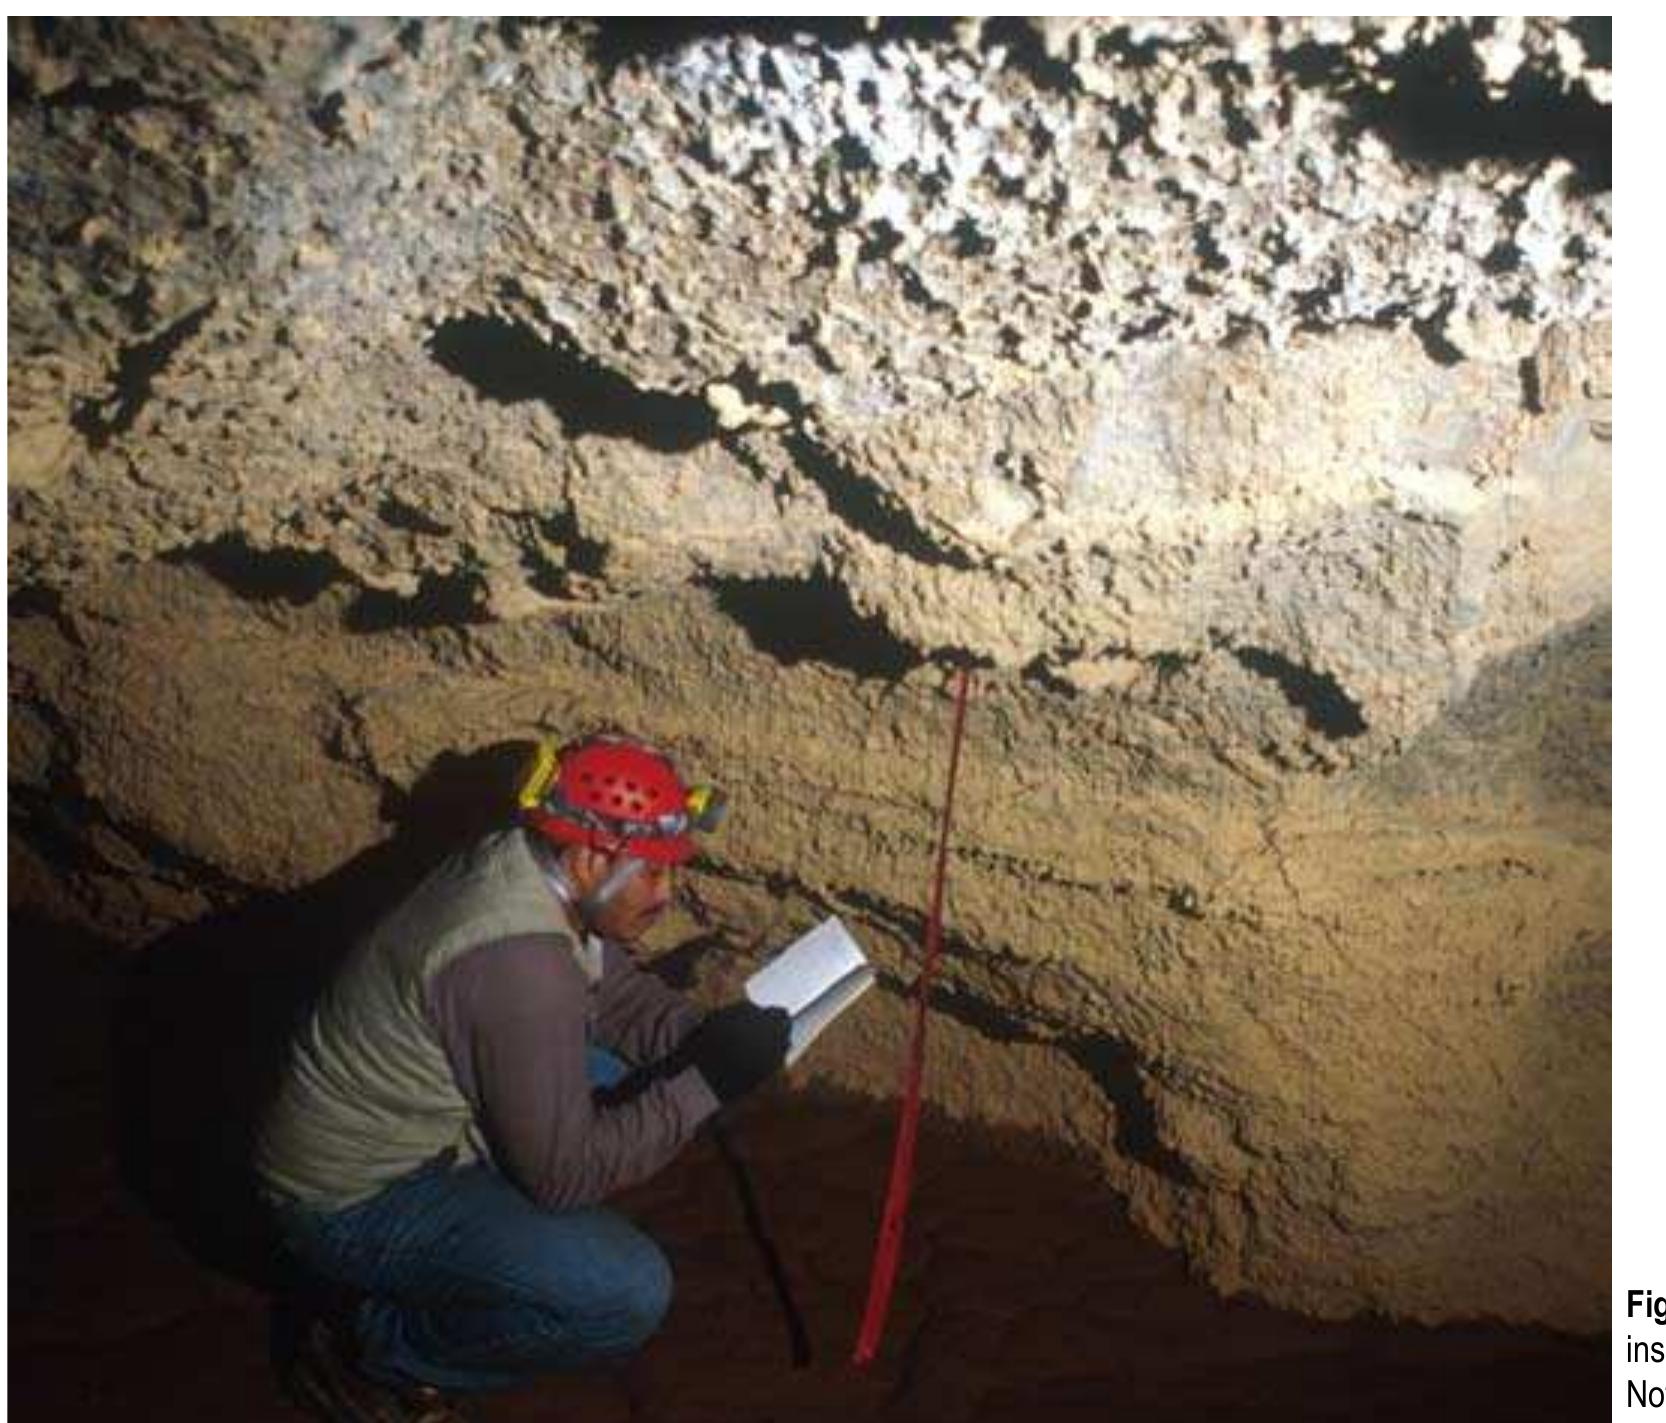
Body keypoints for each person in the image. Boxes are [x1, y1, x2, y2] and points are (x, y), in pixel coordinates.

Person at [255, 731, 791, 1422]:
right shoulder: (519, 963)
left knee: (640, 1074)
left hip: (388, 1123)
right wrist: (704, 1085)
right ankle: (375, 1353)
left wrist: (700, 1041)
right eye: (654, 871)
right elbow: (561, 1178)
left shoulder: (528, 863)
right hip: (347, 1199)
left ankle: (461, 1258)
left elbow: (615, 993)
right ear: (593, 858)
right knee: (622, 1291)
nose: (667, 892)